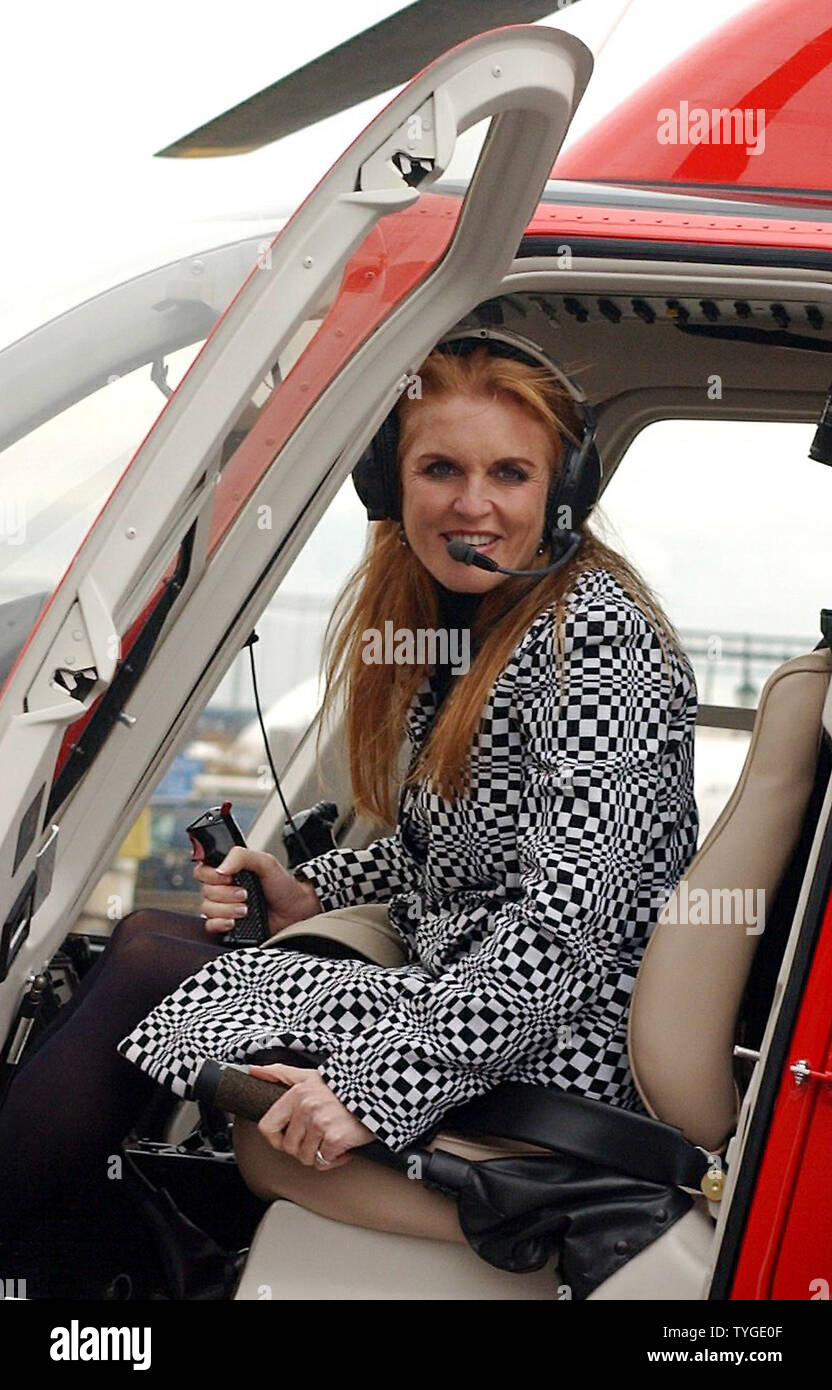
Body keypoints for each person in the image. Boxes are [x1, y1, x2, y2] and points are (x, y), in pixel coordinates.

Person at [0, 335, 699, 1285]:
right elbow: (451, 850)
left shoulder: (597, 640)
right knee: (146, 941)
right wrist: (308, 892)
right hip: (483, 989)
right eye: (440, 469)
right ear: (390, 487)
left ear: (560, 492)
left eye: (510, 473)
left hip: (562, 1041)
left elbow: (572, 923)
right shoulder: (481, 625)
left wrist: (377, 1089)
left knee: (150, 968)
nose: (474, 503)